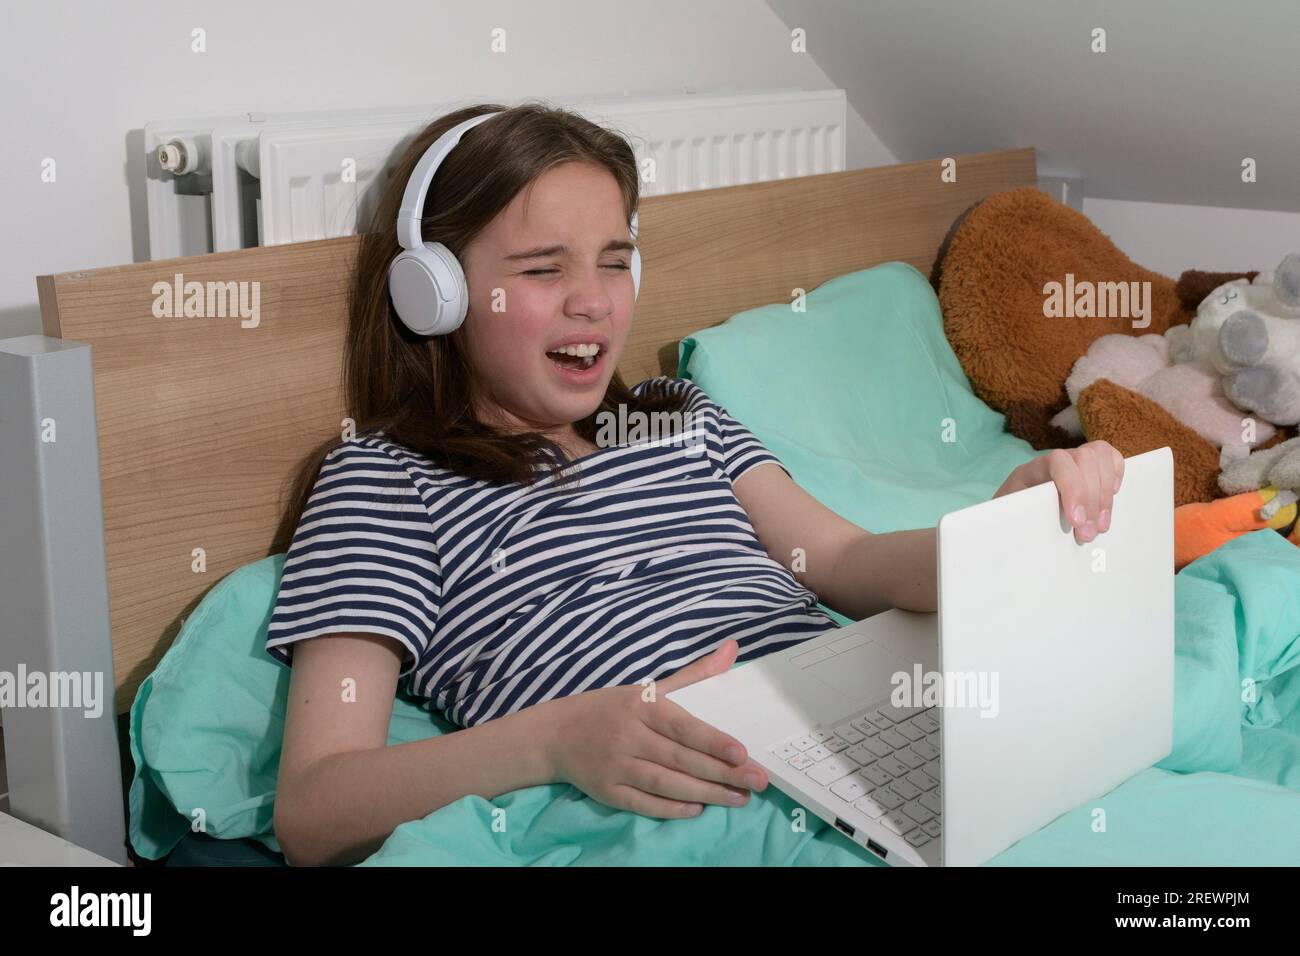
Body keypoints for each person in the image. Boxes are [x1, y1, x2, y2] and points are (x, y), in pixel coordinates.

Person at [267, 102, 1123, 866]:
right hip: (690, 797)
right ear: (438, 295)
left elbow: (844, 559)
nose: (594, 302)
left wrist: (998, 538)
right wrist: (560, 740)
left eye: (614, 261)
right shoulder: (382, 481)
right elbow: (314, 808)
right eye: (541, 270)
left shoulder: (677, 415)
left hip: (849, 728)